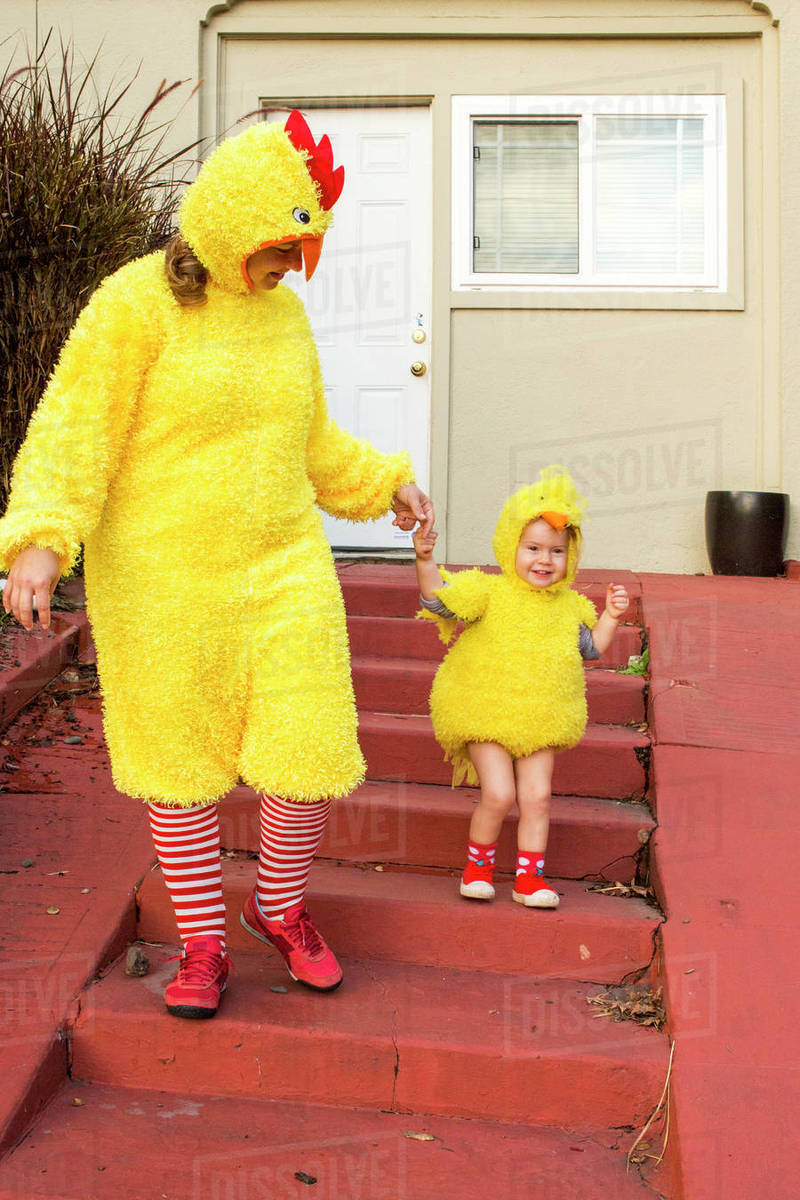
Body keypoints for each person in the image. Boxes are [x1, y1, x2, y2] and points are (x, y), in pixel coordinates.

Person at [0, 110, 433, 1018]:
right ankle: (201, 946)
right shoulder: (132, 304)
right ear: (235, 223)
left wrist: (384, 484)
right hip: (162, 581)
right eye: (283, 247)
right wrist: (41, 536)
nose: (294, 267)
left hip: (283, 566)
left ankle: (278, 906)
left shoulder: (284, 321)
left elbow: (312, 444)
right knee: (181, 770)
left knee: (311, 751)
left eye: (302, 250)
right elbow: (74, 429)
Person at [413, 466, 627, 909]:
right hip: (485, 710)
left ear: (571, 557)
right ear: (511, 547)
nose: (544, 560)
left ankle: (529, 879)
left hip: (541, 716)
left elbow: (592, 649)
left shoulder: (570, 607)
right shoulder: (489, 593)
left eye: (556, 551)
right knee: (499, 793)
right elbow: (439, 601)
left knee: (538, 797)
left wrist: (611, 617)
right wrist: (424, 561)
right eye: (532, 548)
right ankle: (478, 870)